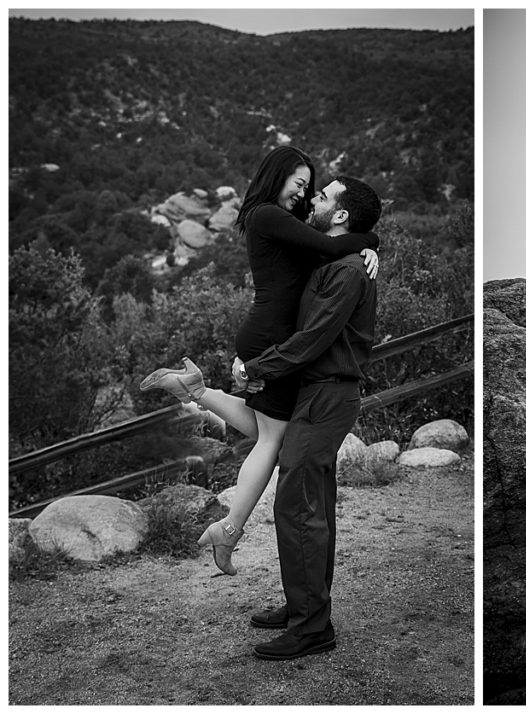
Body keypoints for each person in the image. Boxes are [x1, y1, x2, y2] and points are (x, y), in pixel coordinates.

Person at [138, 146, 378, 576]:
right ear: (277, 176)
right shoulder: (267, 214)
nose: (304, 193)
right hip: (272, 335)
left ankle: (197, 391)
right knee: (272, 440)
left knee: (266, 426)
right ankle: (228, 530)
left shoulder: (281, 219)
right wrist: (370, 240)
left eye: (309, 188)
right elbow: (329, 243)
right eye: (299, 184)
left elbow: (327, 247)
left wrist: (362, 246)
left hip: (269, 332)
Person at [234, 175, 382, 660]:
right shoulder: (338, 260)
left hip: (327, 396)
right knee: (309, 507)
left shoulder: (345, 273)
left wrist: (257, 369)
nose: (313, 200)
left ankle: (311, 627)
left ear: (339, 215)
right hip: (315, 395)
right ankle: (306, 608)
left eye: (322, 196)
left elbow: (313, 339)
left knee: (298, 508)